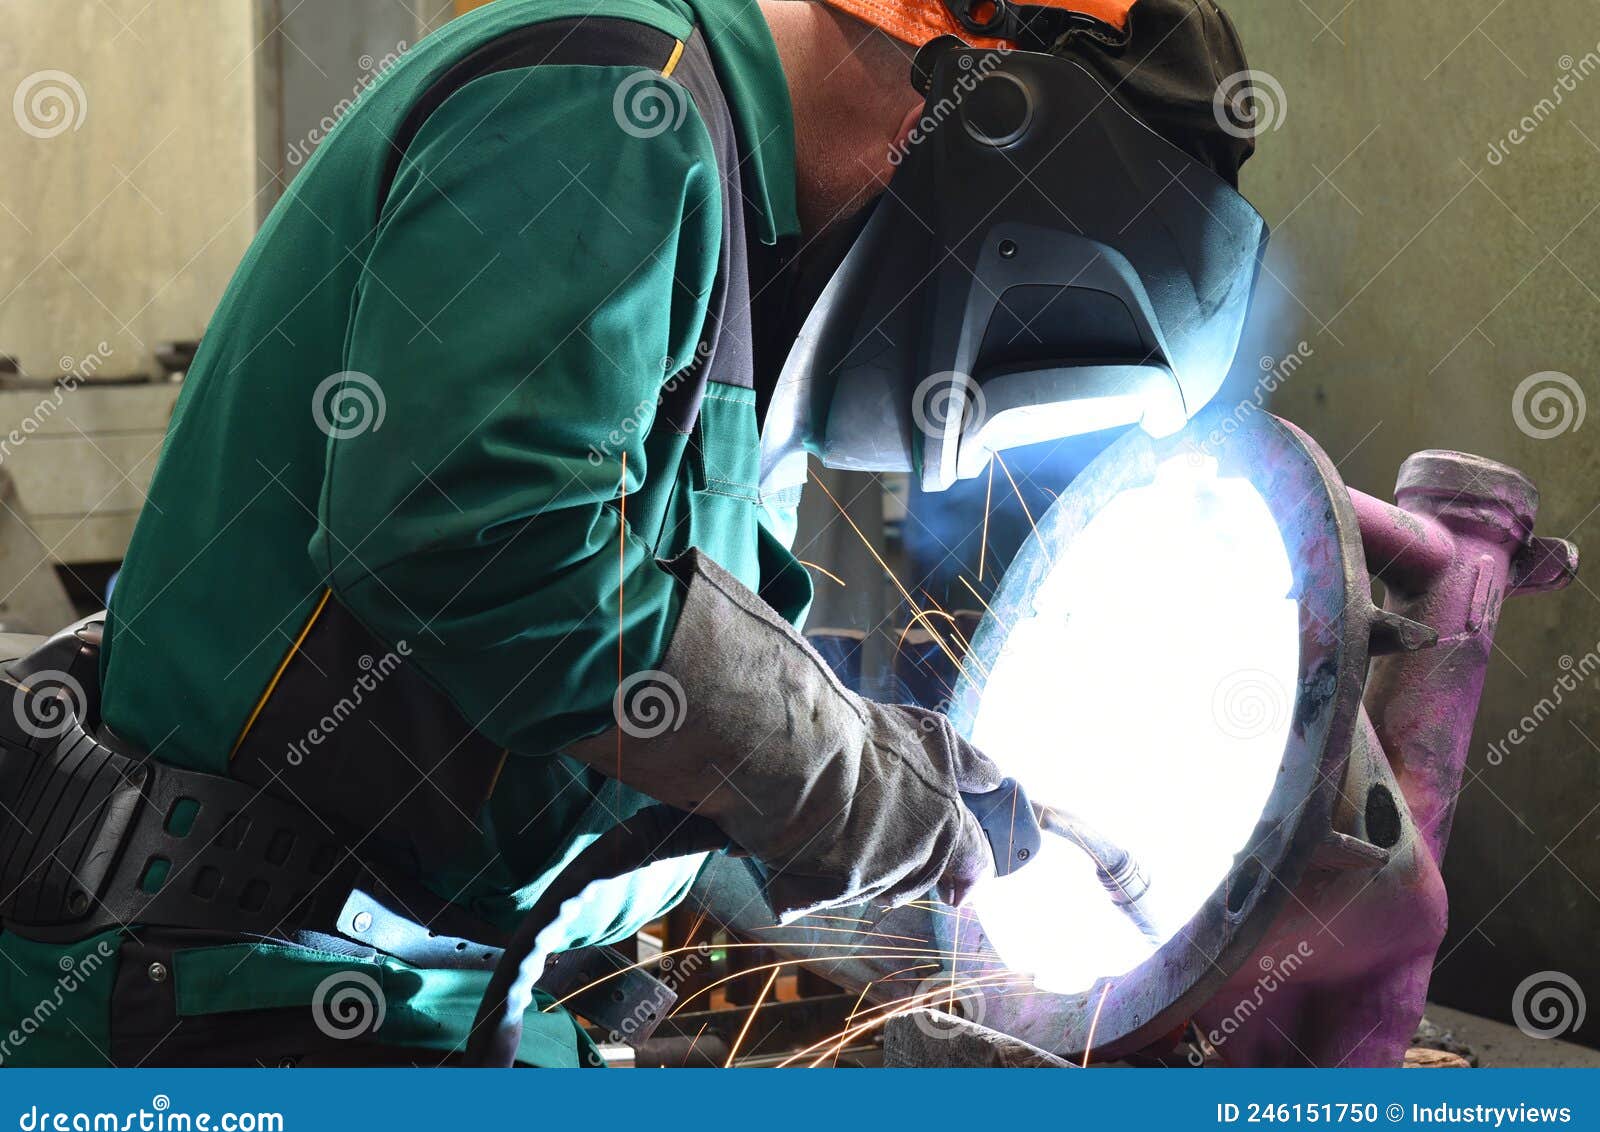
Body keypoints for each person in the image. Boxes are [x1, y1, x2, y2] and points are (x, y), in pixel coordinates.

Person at [0, 0, 1255, 1066]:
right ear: (973, 105)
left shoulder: (738, 245)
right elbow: (482, 541)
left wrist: (780, 855)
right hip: (221, 1008)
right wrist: (850, 781)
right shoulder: (613, 100)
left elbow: (614, 693)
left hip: (401, 997)